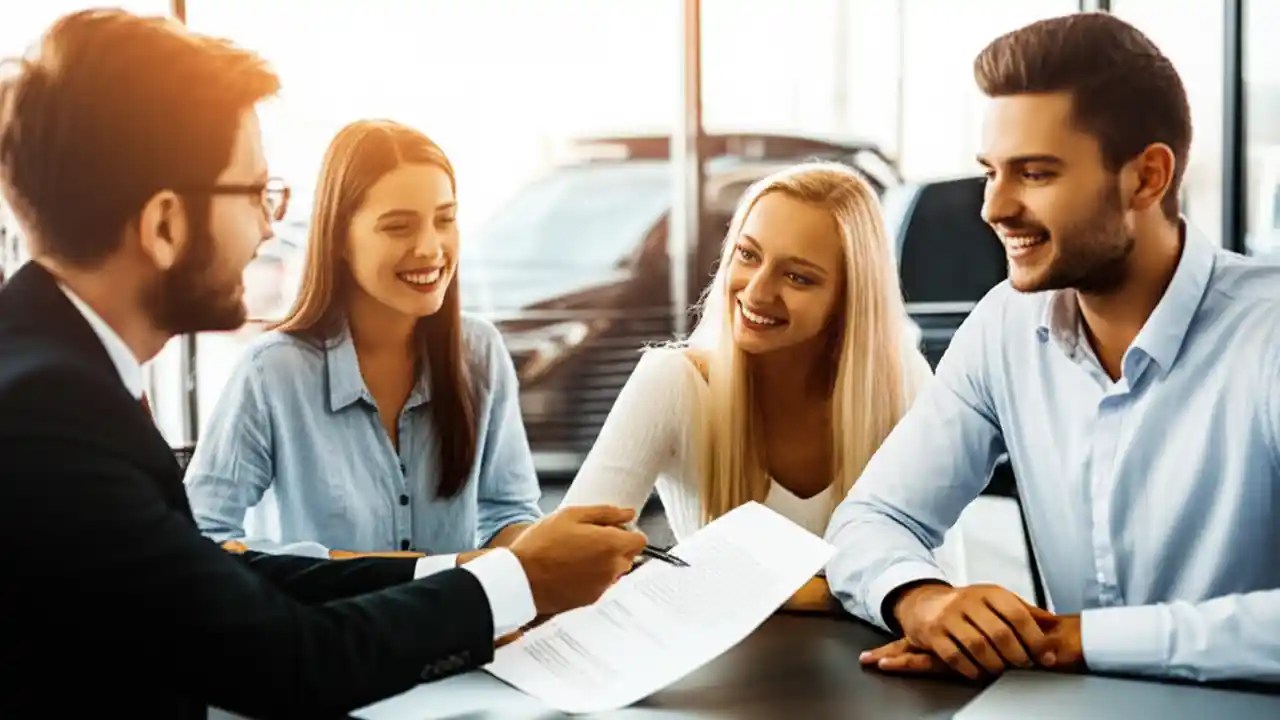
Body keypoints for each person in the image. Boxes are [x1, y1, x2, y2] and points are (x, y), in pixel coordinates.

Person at [0, 10, 645, 717]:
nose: (270, 227)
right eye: (254, 193)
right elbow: (282, 659)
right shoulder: (48, 414)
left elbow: (220, 575)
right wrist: (516, 582)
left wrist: (495, 571)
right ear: (164, 224)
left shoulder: (59, 377)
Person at [827, 12, 1280, 684]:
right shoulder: (1007, 325)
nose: (994, 207)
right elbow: (874, 518)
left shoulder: (1266, 333)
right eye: (991, 172)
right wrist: (920, 599)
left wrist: (1077, 640)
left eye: (1035, 174)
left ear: (1147, 178)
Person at [562, 162, 941, 611]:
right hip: (712, 667)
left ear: (849, 297)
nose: (757, 292)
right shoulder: (674, 381)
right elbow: (568, 565)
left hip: (860, 667)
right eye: (748, 255)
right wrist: (826, 592)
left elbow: (926, 578)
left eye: (798, 276)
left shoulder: (905, 384)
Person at [184, 120, 541, 568]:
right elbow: (204, 538)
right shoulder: (271, 373)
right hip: (328, 633)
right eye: (398, 227)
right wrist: (381, 571)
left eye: (445, 219)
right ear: (339, 240)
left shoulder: (480, 352)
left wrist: (546, 552)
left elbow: (509, 513)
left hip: (466, 635)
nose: (431, 248)